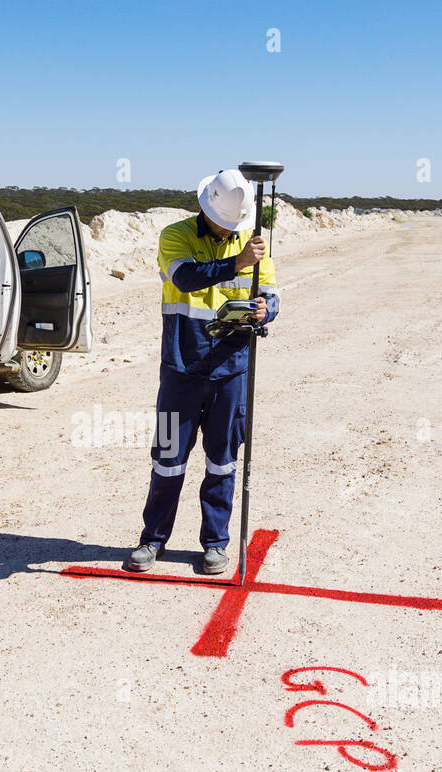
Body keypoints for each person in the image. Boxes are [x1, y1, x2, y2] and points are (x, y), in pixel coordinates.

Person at [127, 168, 280, 574]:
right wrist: (237, 263)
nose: (228, 229)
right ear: (205, 208)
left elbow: (271, 293)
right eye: (222, 221)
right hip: (181, 367)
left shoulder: (253, 243)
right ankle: (152, 541)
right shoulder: (174, 235)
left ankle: (215, 543)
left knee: (223, 460)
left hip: (232, 369)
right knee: (167, 459)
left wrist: (268, 311)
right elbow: (185, 277)